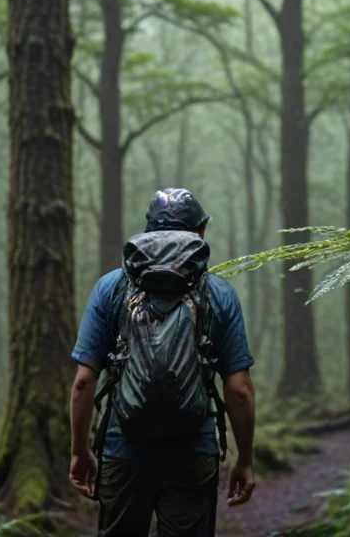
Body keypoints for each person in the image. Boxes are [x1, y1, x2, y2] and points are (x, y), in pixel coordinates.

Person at [69, 188, 257, 537]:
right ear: (200, 231)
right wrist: (244, 459)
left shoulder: (110, 288)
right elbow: (239, 389)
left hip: (121, 447)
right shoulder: (218, 293)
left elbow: (83, 381)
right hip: (193, 451)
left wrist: (80, 451)